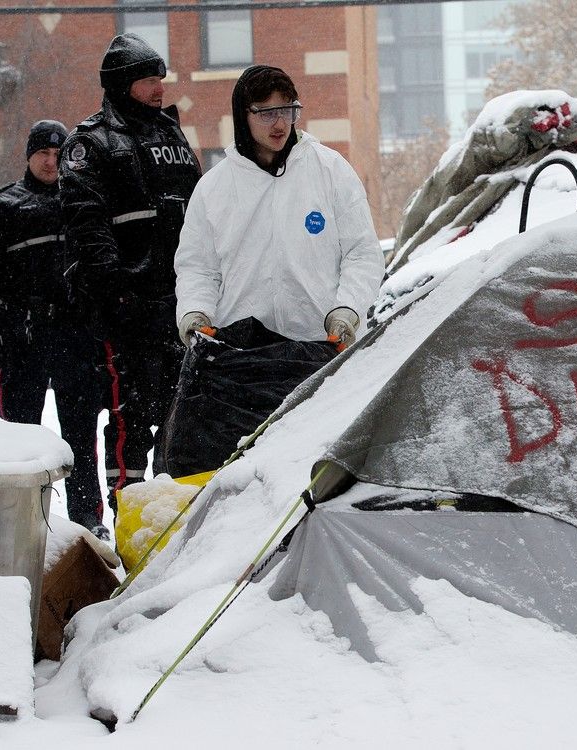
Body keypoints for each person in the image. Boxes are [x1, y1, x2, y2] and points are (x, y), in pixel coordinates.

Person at [59, 33, 202, 511]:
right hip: (128, 310)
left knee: (184, 413)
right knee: (130, 419)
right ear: (123, 84)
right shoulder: (89, 144)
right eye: (147, 78)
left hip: (181, 303)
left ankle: (173, 510)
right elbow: (87, 227)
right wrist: (118, 293)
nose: (159, 87)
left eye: (160, 77)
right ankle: (128, 518)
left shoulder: (172, 133)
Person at [174, 65, 383, 348]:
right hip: (241, 353)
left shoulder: (330, 171)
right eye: (267, 113)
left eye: (287, 111)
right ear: (242, 115)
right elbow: (198, 267)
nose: (280, 124)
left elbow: (361, 253)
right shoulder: (214, 188)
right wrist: (195, 311)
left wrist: (347, 310)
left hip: (321, 344)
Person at [0, 120, 108, 538]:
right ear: (28, 156)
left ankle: (87, 519)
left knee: (81, 436)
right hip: (23, 341)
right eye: (42, 152)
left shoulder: (80, 202)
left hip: (74, 337)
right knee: (19, 441)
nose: (50, 161)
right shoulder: (7, 206)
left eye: (58, 154)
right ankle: (17, 522)